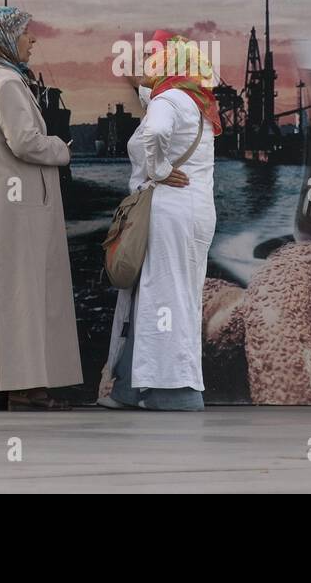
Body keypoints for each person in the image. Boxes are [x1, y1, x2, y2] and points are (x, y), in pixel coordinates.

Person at [0, 7, 82, 411]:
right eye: (26, 33)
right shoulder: (8, 82)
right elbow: (25, 142)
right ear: (6, 39)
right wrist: (63, 149)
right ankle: (27, 387)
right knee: (25, 294)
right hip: (19, 210)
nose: (32, 40)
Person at [99, 30, 218, 411]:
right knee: (163, 296)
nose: (149, 68)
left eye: (155, 61)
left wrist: (159, 168)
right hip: (194, 210)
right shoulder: (192, 99)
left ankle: (175, 391)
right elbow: (153, 101)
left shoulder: (168, 100)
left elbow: (154, 130)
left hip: (170, 211)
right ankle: (129, 387)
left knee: (163, 295)